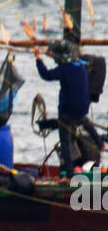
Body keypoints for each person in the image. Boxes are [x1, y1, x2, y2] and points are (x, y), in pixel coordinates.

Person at [34, 38, 97, 178]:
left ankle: (69, 175)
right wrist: (49, 55)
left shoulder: (64, 69)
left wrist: (38, 59)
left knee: (65, 143)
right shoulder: (81, 65)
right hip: (81, 109)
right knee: (85, 122)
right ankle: (100, 143)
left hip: (67, 111)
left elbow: (47, 75)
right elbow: (64, 62)